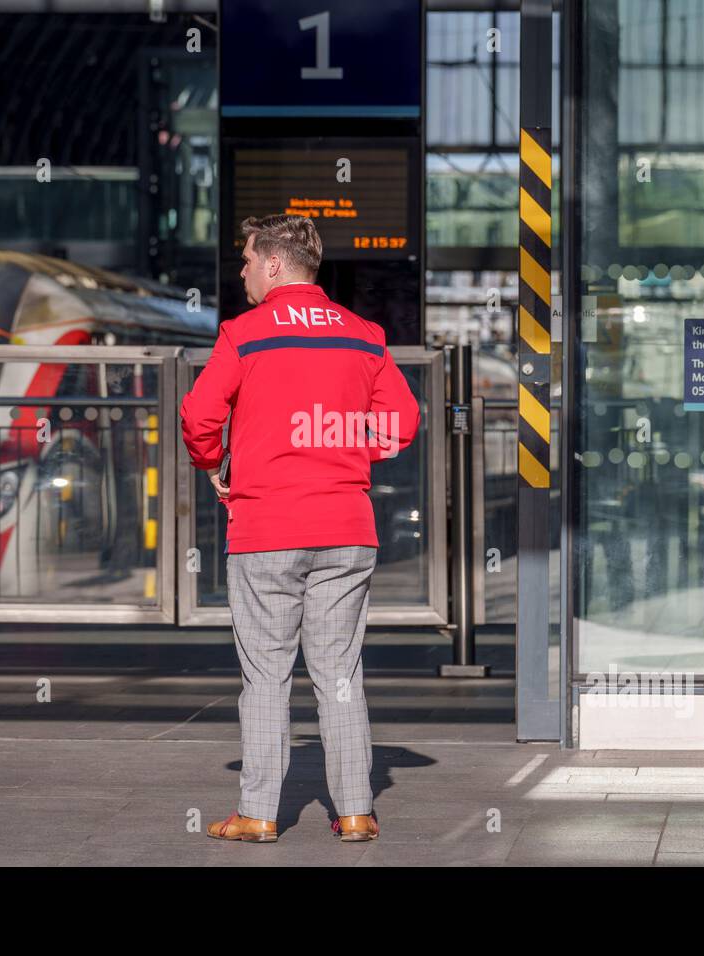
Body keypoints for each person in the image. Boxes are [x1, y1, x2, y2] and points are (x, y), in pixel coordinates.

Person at [180, 214, 420, 843]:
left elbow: (199, 413)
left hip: (266, 527)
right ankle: (357, 811)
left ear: (275, 265)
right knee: (340, 674)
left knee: (266, 676)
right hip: (346, 527)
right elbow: (403, 419)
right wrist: (342, 449)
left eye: (248, 260)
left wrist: (213, 464)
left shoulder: (245, 333)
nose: (242, 272)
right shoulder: (364, 335)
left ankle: (260, 812)